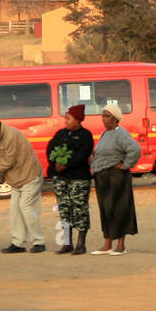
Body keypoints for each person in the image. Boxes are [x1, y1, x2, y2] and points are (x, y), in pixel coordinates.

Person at [0, 110, 45, 253]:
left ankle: (39, 241)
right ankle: (18, 243)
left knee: (26, 207)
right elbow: (4, 160)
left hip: (30, 176)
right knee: (15, 212)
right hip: (17, 179)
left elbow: (7, 163)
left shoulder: (11, 135)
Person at [90, 103, 142, 256]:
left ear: (115, 119)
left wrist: (126, 165)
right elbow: (103, 152)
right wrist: (93, 158)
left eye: (107, 116)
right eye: (103, 116)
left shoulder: (121, 133)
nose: (103, 119)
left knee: (120, 209)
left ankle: (120, 245)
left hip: (116, 177)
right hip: (103, 177)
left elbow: (135, 150)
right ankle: (107, 244)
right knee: (106, 209)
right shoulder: (106, 133)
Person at [47, 104, 95, 255]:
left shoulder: (86, 135)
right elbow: (50, 149)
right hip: (61, 179)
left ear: (78, 120)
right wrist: (55, 165)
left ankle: (81, 244)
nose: (65, 121)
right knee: (64, 209)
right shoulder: (60, 133)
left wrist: (66, 165)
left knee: (80, 210)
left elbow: (82, 154)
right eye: (65, 118)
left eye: (68, 118)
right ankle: (67, 243)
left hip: (79, 178)